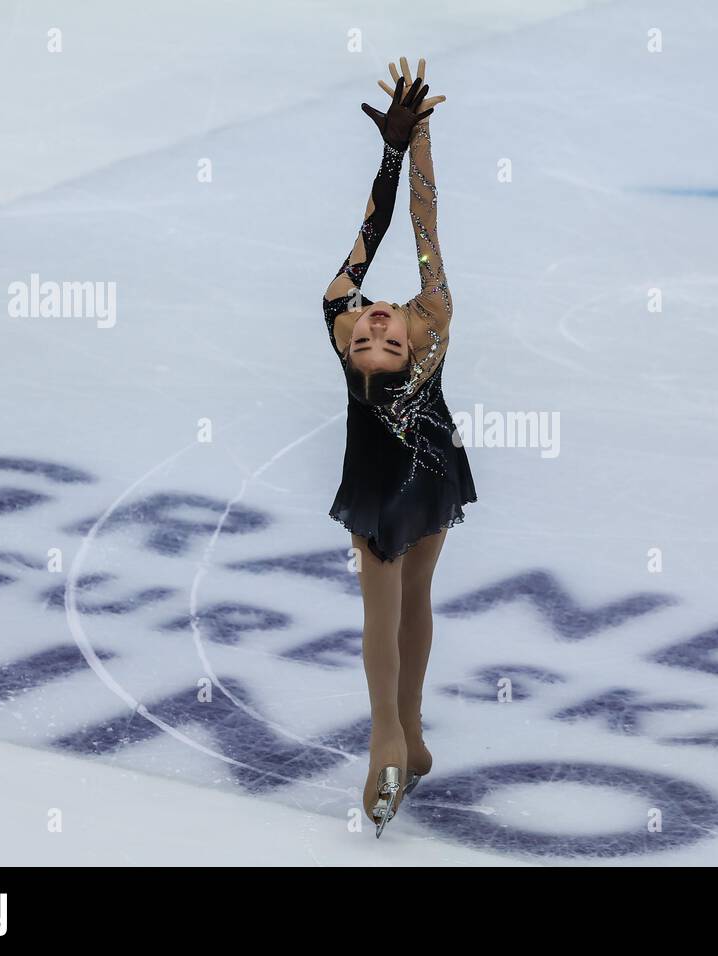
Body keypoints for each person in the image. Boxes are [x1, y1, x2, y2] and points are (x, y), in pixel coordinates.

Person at [321, 56, 476, 837]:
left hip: (419, 471)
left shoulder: (337, 311)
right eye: (378, 337)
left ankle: (399, 732)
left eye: (373, 336)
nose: (375, 325)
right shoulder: (432, 320)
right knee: (395, 604)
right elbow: (422, 226)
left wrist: (394, 145)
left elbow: (374, 228)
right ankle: (399, 736)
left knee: (402, 604)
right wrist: (419, 147)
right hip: (403, 481)